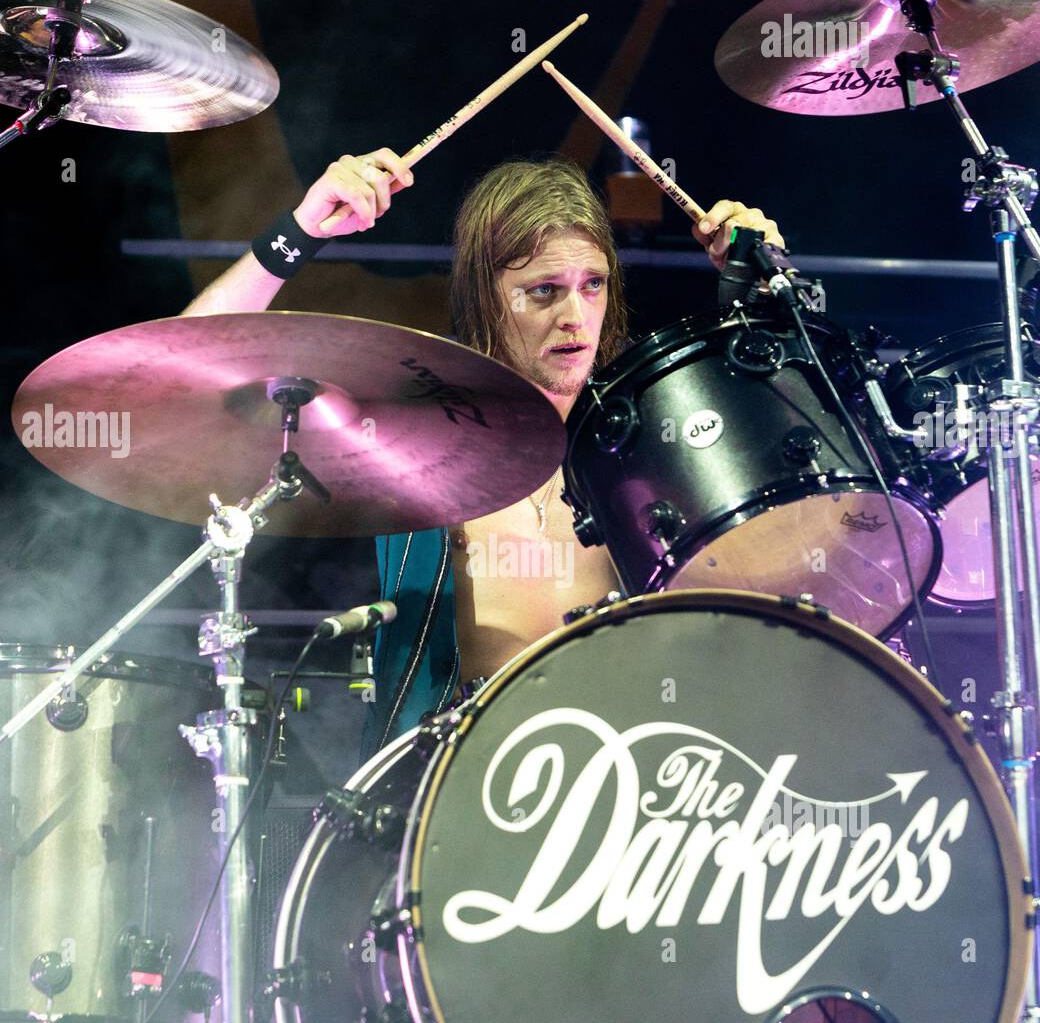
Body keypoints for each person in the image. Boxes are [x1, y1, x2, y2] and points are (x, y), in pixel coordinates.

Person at [183, 150, 784, 759]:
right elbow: (179, 375)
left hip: (633, 778)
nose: (575, 317)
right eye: (543, 291)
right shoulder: (411, 438)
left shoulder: (652, 445)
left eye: (593, 285)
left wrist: (771, 297)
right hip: (446, 786)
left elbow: (811, 540)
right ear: (486, 296)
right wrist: (300, 230)